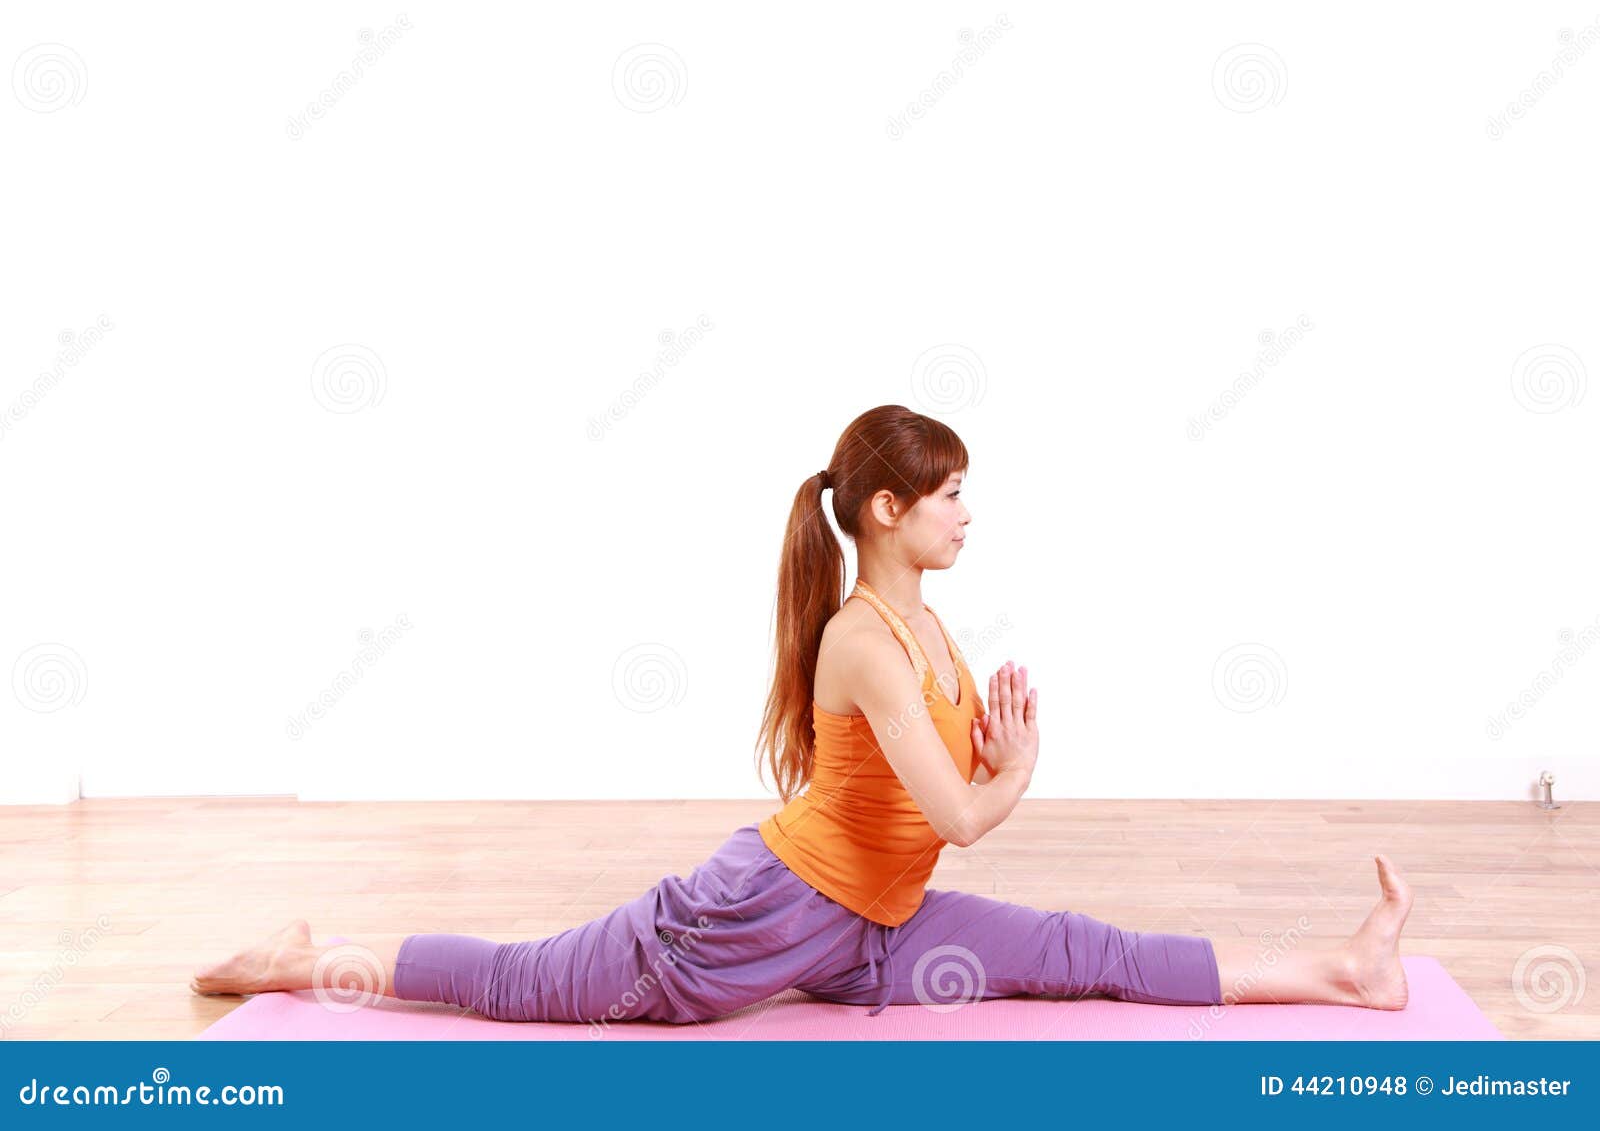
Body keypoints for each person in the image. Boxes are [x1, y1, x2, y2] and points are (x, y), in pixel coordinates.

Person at [191, 404, 1413, 1023]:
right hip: (757, 914)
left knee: (1075, 950)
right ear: (883, 510)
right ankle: (297, 962)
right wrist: (1014, 768)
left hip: (871, 925)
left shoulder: (929, 627)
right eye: (946, 496)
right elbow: (967, 819)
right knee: (522, 983)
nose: (965, 515)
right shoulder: (862, 642)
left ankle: (1343, 970)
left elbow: (934, 799)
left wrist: (984, 745)